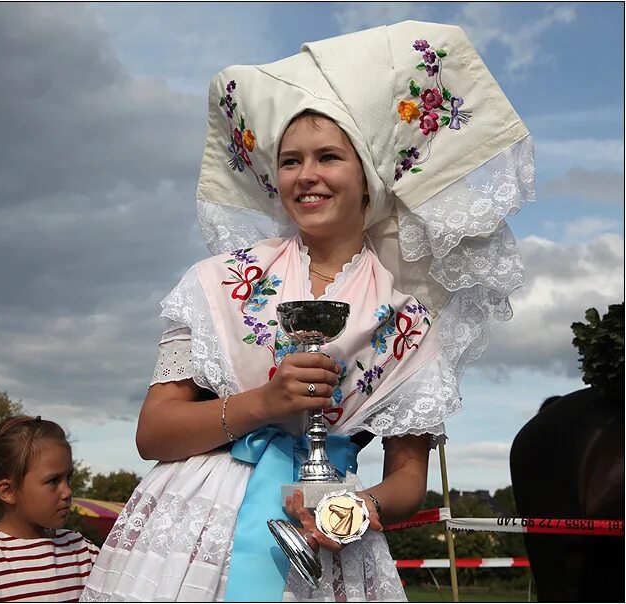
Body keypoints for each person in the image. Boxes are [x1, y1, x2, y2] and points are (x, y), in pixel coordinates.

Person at [82, 20, 534, 602]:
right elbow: (154, 434)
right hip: (199, 538)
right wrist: (262, 404)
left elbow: (407, 481)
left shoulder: (411, 317)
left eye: (328, 157)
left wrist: (357, 507)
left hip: (329, 535)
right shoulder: (219, 282)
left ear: (367, 180)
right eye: (291, 161)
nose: (307, 176)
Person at [0, 416, 100, 602]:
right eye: (53, 481)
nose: (67, 491)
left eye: (68, 478)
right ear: (8, 491)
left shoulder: (83, 552)